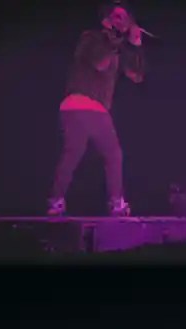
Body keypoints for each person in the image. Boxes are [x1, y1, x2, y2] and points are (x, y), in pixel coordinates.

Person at [47, 2, 146, 217]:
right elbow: (100, 63)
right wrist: (117, 42)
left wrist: (136, 46)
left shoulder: (116, 47)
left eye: (125, 18)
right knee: (89, 153)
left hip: (96, 108)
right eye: (117, 17)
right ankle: (60, 200)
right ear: (106, 20)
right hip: (79, 103)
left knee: (98, 154)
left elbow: (136, 76)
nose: (122, 22)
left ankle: (110, 202)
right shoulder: (91, 38)